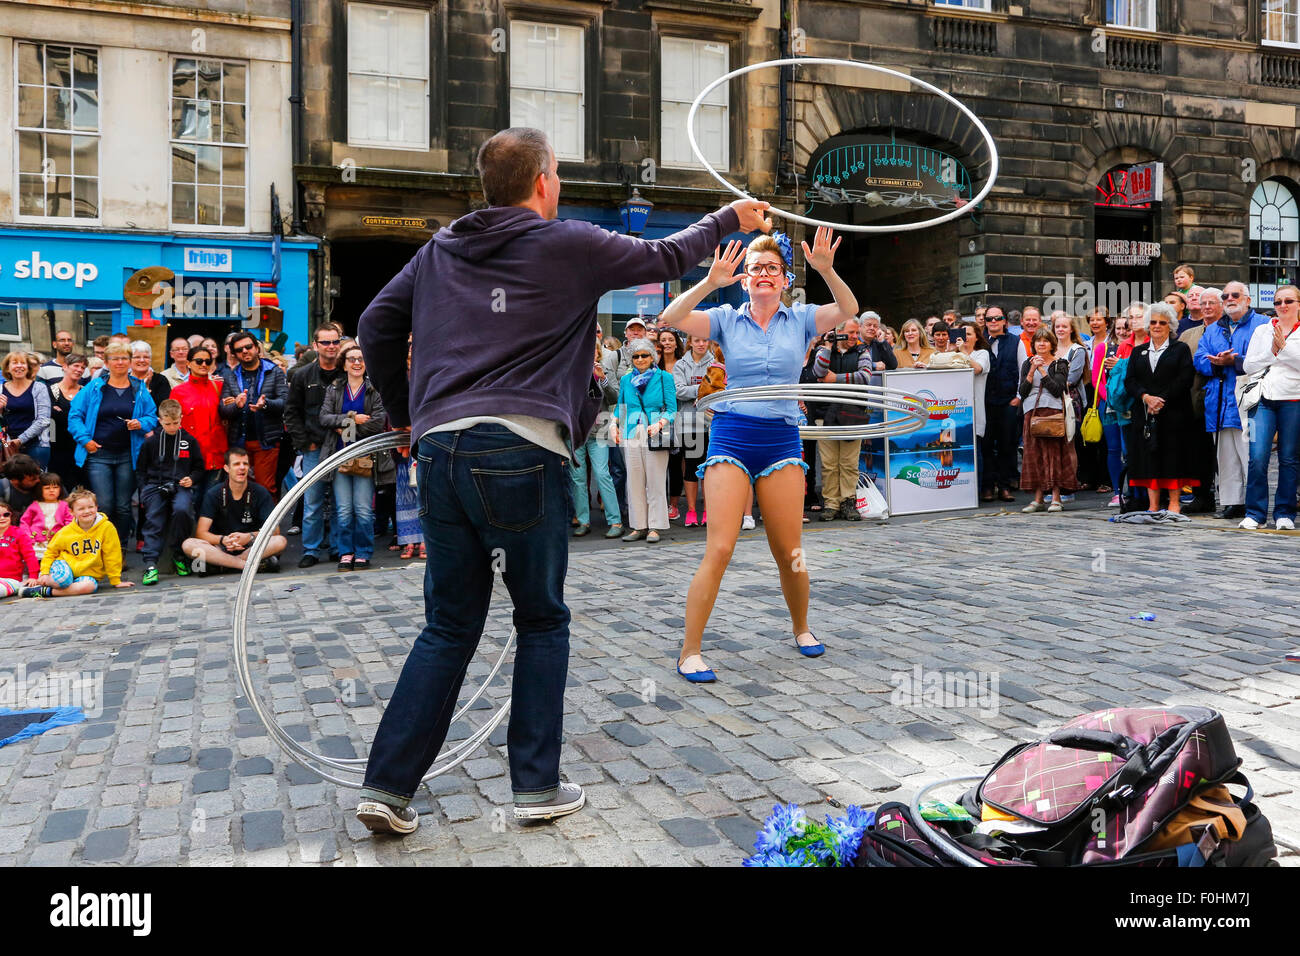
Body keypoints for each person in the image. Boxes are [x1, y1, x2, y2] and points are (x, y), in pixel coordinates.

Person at [353, 126, 772, 833]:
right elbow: (666, 254)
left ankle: (387, 788)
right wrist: (734, 217)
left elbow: (374, 324)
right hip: (520, 447)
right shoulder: (567, 241)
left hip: (441, 451)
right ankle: (535, 787)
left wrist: (408, 416)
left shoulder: (439, 250)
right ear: (546, 180)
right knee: (541, 617)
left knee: (448, 625)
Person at [659, 225, 858, 680]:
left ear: (785, 278)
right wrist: (711, 282)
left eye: (772, 267)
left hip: (782, 439)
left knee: (790, 550)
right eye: (754, 268)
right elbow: (672, 318)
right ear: (744, 278)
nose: (763, 273)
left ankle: (802, 628)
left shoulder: (804, 319)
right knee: (721, 547)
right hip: (733, 435)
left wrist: (826, 270)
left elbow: (849, 310)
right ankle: (690, 651)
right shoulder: (726, 319)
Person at [67, 341, 158, 548]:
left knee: (124, 506)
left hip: (128, 454)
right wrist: (85, 440)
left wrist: (140, 423)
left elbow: (152, 416)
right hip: (99, 454)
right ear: (106, 362)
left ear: (130, 362)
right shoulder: (95, 386)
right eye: (115, 359)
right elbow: (74, 415)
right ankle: (103, 549)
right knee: (105, 504)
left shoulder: (139, 388)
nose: (120, 362)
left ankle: (121, 548)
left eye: (124, 358)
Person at [1194, 285, 1266, 520]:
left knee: (1251, 455)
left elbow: (1267, 358)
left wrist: (1236, 362)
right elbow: (1199, 358)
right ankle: (1232, 502)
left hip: (1250, 398)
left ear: (1247, 299)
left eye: (1235, 295)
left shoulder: (1262, 324)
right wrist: (1215, 363)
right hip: (1219, 400)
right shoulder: (1214, 328)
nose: (1229, 299)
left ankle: (1255, 504)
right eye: (1225, 296)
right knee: (1225, 456)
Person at [319, 344, 392, 570]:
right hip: (339, 456)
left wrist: (346, 427)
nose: (357, 363)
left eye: (361, 358)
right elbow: (324, 418)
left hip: (366, 456)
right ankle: (345, 553)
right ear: (344, 364)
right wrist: (352, 417)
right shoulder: (334, 388)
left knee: (362, 509)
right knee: (343, 510)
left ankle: (363, 552)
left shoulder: (374, 389)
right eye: (352, 359)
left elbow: (377, 423)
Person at [1124, 303, 1197, 514]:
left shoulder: (1180, 348)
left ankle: (1174, 503)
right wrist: (1146, 397)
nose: (1157, 326)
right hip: (1145, 413)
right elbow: (1130, 381)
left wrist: (1160, 399)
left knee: (1173, 456)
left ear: (1170, 325)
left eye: (1162, 322)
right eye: (1153, 322)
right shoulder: (1138, 352)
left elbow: (1185, 378)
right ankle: (1153, 504)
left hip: (1174, 412)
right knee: (1149, 457)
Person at [285, 325, 346, 568]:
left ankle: (337, 548)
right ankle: (310, 549)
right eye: (326, 343)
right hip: (314, 446)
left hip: (342, 445)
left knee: (341, 502)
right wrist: (304, 442)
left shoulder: (347, 373)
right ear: (315, 345)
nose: (331, 347)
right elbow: (292, 413)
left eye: (335, 342)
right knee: (313, 502)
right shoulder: (302, 376)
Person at [1240, 284, 1300, 530]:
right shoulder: (1263, 330)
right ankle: (1254, 513)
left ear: (1298, 304)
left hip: (1293, 399)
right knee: (1257, 457)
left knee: (1289, 458)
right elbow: (1248, 365)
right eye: (1278, 302)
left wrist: (1283, 350)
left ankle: (1285, 513)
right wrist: (1273, 352)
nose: (1282, 306)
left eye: (1288, 301)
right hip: (1261, 400)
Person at [610, 338, 677, 543]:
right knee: (635, 481)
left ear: (652, 356)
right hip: (631, 431)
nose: (640, 359)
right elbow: (620, 406)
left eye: (644, 355)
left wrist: (660, 423)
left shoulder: (664, 377)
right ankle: (639, 525)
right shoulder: (626, 379)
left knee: (655, 481)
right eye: (636, 356)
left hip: (655, 432)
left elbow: (672, 408)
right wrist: (613, 425)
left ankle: (655, 526)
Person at [182, 446, 286, 574]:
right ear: (226, 468)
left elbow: (275, 531)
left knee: (280, 541)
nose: (242, 468)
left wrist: (249, 536)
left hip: (251, 546)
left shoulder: (260, 492)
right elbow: (201, 533)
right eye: (236, 464)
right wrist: (223, 540)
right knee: (188, 544)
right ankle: (244, 565)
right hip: (222, 546)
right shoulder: (214, 493)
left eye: (245, 464)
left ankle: (224, 564)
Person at [136, 399, 205, 585]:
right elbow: (141, 470)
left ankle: (178, 554)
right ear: (160, 420)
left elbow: (199, 467)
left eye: (176, 423)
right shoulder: (150, 443)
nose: (172, 427)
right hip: (154, 485)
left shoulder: (189, 440)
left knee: (183, 510)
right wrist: (144, 491)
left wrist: (192, 478)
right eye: (167, 423)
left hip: (180, 485)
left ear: (181, 419)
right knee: (154, 518)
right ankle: (150, 564)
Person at [812, 317, 871, 521]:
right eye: (851, 333)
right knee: (828, 463)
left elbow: (865, 377)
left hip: (852, 412)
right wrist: (828, 346)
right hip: (825, 412)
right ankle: (831, 503)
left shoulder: (862, 352)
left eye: (857, 333)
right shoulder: (823, 350)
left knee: (849, 462)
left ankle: (848, 501)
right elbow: (818, 372)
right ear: (839, 332)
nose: (855, 337)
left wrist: (835, 378)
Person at [24, 488, 132, 596]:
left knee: (89, 587)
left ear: (97, 508)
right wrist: (44, 573)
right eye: (81, 509)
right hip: (64, 565)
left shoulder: (107, 528)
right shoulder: (66, 531)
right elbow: (51, 552)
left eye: (91, 507)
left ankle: (44, 592)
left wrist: (116, 580)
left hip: (88, 573)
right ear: (71, 512)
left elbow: (112, 554)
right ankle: (43, 581)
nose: (87, 511)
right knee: (62, 580)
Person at [220, 331, 288, 497]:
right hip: (239, 440)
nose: (244, 351)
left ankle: (269, 524)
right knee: (238, 488)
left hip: (266, 439)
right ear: (234, 354)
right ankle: (243, 523)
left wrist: (266, 405)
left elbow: (285, 402)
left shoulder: (274, 371)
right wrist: (236, 405)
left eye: (248, 347)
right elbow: (223, 410)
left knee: (265, 488)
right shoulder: (230, 376)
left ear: (257, 348)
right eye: (239, 349)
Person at [1019, 327, 1077, 512]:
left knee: (1054, 455)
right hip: (1032, 412)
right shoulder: (1027, 363)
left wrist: (1042, 370)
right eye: (1038, 341)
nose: (1041, 344)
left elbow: (1057, 389)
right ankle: (1037, 499)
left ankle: (1056, 497)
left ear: (1051, 344)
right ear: (1033, 344)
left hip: (1053, 412)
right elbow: (1022, 391)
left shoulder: (1060, 363)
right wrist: (1032, 370)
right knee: (1034, 455)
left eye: (1045, 341)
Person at [571, 330, 622, 538]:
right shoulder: (570, 372)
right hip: (575, 431)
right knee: (577, 477)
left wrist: (602, 380)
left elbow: (613, 398)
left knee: (602, 474)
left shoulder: (601, 371)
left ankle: (615, 521)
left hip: (598, 430)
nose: (589, 352)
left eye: (593, 349)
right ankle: (583, 520)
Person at [674, 334, 723, 527]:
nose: (701, 344)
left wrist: (696, 389)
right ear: (690, 343)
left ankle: (709, 510)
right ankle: (692, 511)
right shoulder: (681, 365)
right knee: (692, 468)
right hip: (689, 421)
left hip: (712, 421)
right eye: (697, 340)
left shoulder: (716, 362)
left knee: (710, 468)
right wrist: (704, 388)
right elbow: (678, 390)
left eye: (704, 340)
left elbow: (721, 388)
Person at [170, 345, 228, 503]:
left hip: (216, 455)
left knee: (211, 503)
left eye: (208, 361)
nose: (204, 364)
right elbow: (173, 427)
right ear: (188, 363)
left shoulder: (220, 387)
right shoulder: (178, 392)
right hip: (190, 458)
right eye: (199, 361)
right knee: (189, 503)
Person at [981, 307, 1020, 502]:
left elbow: (1024, 368)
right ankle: (988, 486)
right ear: (985, 321)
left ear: (1005, 320)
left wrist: (1019, 397)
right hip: (985, 401)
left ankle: (1005, 486)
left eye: (998, 318)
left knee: (1007, 445)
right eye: (990, 319)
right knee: (986, 445)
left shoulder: (1016, 341)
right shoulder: (980, 341)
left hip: (1008, 400)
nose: (993, 321)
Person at [1088, 310, 1124, 504]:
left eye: (1125, 327)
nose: (1122, 331)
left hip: (1131, 404)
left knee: (1129, 449)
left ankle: (1135, 489)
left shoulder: (1136, 347)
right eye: (1118, 327)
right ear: (1113, 328)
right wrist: (1111, 398)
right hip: (1108, 404)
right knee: (1113, 449)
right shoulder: (1103, 348)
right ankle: (1118, 491)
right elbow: (1096, 380)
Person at [2, 351, 51, 468]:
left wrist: (20, 440)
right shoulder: (0, 389)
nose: (19, 366)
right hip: (6, 444)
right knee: (8, 483)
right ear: (7, 368)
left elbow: (44, 420)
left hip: (36, 444)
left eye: (23, 363)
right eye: (14, 363)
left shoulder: (39, 388)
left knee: (35, 482)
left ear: (28, 368)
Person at [47, 352, 88, 491]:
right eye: (76, 365)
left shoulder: (85, 392)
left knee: (79, 487)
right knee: (58, 487)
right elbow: (49, 417)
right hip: (56, 445)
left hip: (79, 445)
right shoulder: (51, 390)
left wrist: (60, 413)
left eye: (83, 367)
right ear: (65, 366)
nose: (79, 370)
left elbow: (87, 418)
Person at [657, 327, 686, 521]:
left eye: (670, 340)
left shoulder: (683, 364)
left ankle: (673, 505)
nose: (667, 343)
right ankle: (658, 503)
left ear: (676, 343)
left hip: (681, 418)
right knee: (658, 464)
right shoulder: (653, 364)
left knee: (676, 464)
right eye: (663, 340)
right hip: (657, 420)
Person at [958, 321, 991, 483]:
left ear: (977, 337)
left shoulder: (982, 353)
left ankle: (976, 490)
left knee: (975, 452)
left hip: (974, 411)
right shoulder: (954, 353)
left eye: (969, 334)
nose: (964, 337)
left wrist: (963, 353)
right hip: (955, 411)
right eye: (962, 334)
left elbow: (978, 369)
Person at [20, 473, 72, 560]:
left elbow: (70, 521)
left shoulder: (64, 505)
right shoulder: (34, 505)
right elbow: (24, 522)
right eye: (47, 488)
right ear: (40, 490)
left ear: (60, 489)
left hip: (58, 541)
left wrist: (65, 536)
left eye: (55, 487)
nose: (52, 490)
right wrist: (28, 537)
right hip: (37, 542)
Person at [0, 499, 39, 598]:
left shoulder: (19, 534)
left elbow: (29, 556)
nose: (2, 518)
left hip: (11, 580)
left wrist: (33, 576)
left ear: (11, 516)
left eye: (6, 514)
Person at [130, 341, 171, 409]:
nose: (142, 360)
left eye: (146, 357)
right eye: (137, 357)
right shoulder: (124, 379)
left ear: (150, 360)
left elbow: (163, 408)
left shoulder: (160, 380)